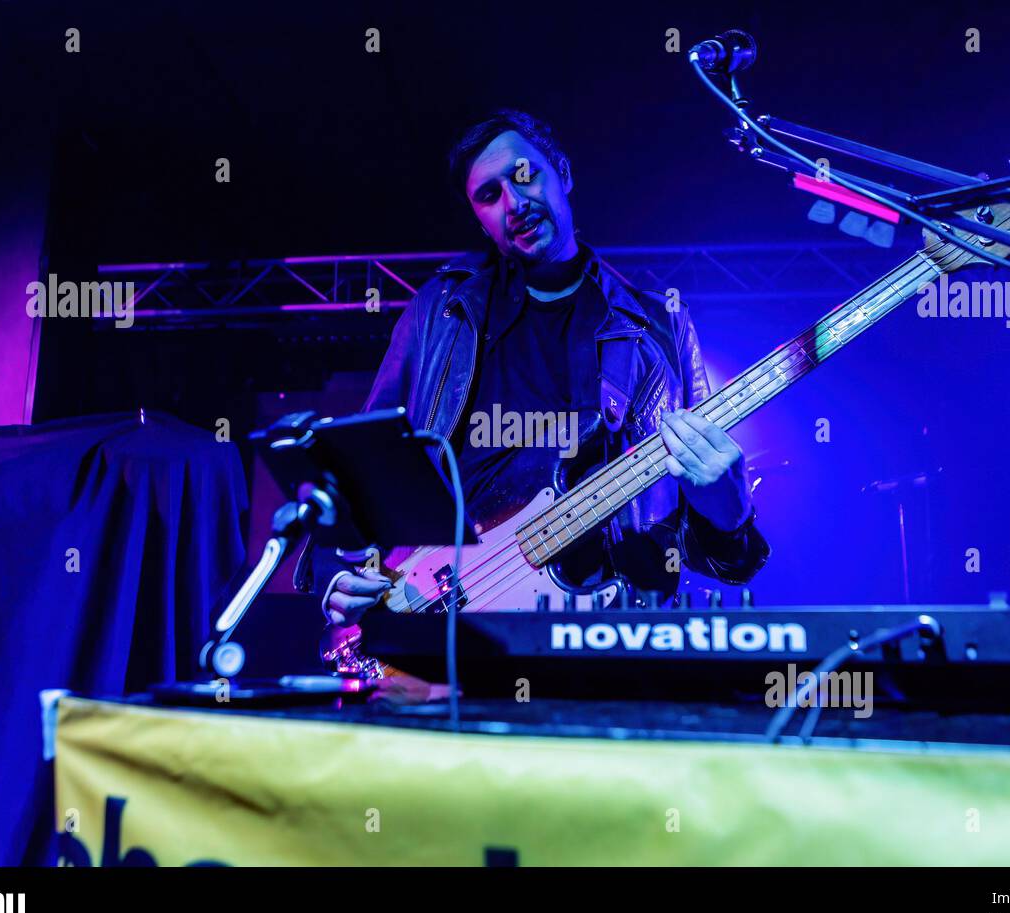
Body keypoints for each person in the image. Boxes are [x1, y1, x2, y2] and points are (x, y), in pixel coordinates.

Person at [317, 109, 768, 627]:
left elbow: (708, 544)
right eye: (488, 195)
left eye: (525, 174)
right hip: (450, 621)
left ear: (564, 173)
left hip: (611, 629)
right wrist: (342, 574)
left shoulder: (659, 327)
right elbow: (363, 469)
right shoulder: (440, 311)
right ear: (479, 219)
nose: (513, 202)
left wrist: (729, 517)